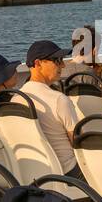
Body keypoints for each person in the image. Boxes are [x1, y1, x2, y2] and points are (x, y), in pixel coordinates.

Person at [21, 40, 83, 179]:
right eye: (57, 60)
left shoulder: (17, 98)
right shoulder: (58, 100)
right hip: (69, 172)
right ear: (37, 63)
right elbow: (79, 142)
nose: (63, 65)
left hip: (37, 172)